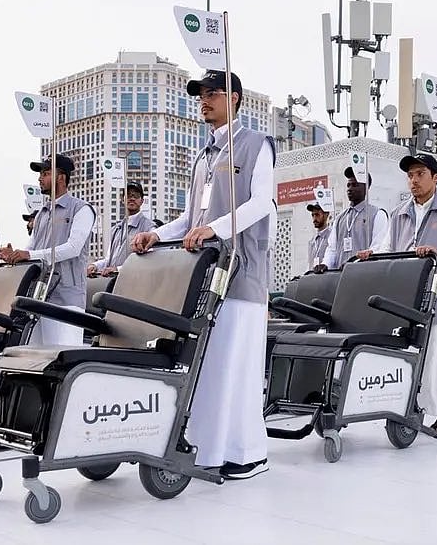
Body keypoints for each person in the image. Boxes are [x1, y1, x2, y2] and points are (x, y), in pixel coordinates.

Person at [132, 69, 274, 480]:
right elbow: (191, 218)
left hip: (241, 273)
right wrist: (155, 234)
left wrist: (216, 228)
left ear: (234, 98)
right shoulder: (204, 157)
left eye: (212, 93)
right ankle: (210, 450)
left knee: (240, 366)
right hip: (206, 280)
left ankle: (249, 454)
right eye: (200, 95)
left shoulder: (255, 145)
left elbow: (263, 202)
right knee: (212, 366)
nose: (204, 101)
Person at [387, 153, 437, 436]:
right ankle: (412, 406)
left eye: (420, 174)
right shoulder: (399, 213)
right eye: (410, 175)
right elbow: (389, 247)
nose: (414, 180)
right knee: (414, 352)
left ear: (436, 178)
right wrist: (372, 255)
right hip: (408, 297)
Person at [0, 155, 95, 347]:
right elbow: (31, 248)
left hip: (67, 300)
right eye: (41, 174)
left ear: (61, 177)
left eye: (46, 173)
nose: (40, 178)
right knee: (34, 359)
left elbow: (73, 248)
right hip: (39, 297)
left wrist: (29, 255)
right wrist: (15, 255)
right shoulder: (42, 213)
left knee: (64, 360)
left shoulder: (82, 209)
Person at [320, 169, 389, 271]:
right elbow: (332, 249)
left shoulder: (377, 214)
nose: (350, 189)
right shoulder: (340, 219)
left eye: (355, 185)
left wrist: (355, 264)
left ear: (366, 187)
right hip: (341, 277)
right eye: (348, 185)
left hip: (365, 275)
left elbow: (378, 248)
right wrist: (325, 264)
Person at [89, 182, 154, 277]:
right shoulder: (116, 229)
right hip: (114, 283)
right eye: (128, 195)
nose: (132, 198)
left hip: (137, 282)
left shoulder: (149, 228)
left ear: (142, 201)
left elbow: (150, 260)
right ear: (122, 200)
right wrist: (95, 265)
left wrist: (118, 269)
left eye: (136, 195)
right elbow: (109, 259)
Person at [305, 202, 332, 273]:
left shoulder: (332, 235)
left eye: (317, 215)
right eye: (313, 215)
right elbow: (309, 264)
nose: (314, 219)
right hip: (313, 279)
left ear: (326, 215)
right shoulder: (312, 241)